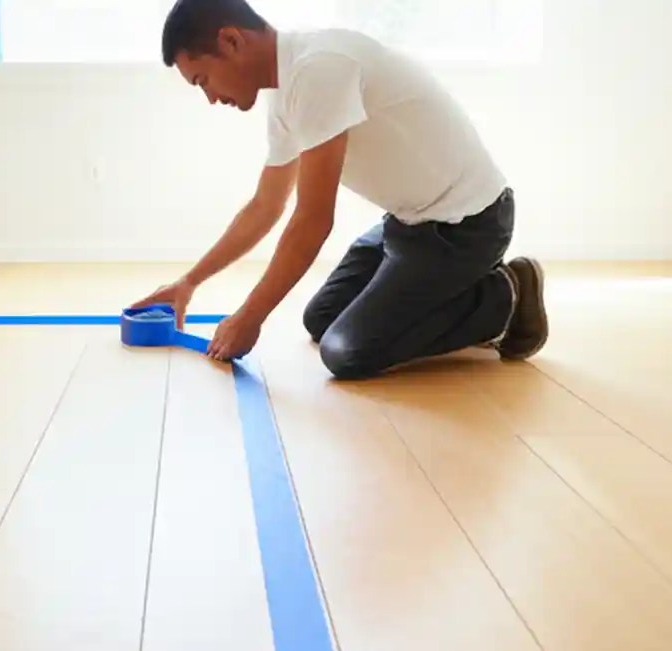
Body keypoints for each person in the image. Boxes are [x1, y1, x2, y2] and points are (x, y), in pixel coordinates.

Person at [131, 0, 548, 378]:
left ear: (231, 40)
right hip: (406, 225)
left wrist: (250, 316)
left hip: (466, 225)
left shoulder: (320, 69)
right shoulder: (285, 91)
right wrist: (189, 283)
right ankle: (446, 295)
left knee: (348, 352)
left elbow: (313, 220)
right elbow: (266, 205)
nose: (210, 97)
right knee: (323, 319)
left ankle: (508, 294)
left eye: (203, 79)